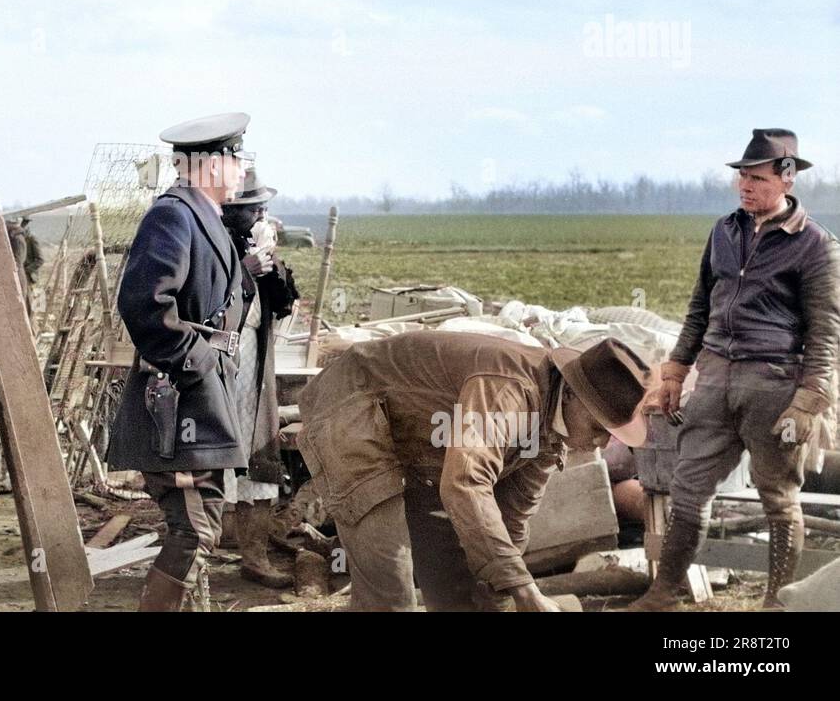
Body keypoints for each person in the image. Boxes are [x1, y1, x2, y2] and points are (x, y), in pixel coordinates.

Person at [630, 129, 839, 610]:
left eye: (757, 178)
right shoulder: (724, 231)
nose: (745, 187)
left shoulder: (815, 246)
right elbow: (699, 307)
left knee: (778, 497)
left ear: (786, 178)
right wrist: (675, 371)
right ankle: (665, 590)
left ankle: (776, 604)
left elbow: (826, 333)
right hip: (716, 378)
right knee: (688, 486)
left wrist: (809, 401)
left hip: (774, 385)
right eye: (741, 177)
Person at [298, 331, 648, 611]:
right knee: (390, 587)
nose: (602, 443)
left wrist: (503, 594)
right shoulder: (508, 390)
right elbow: (465, 484)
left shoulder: (553, 430)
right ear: (571, 394)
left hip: (421, 444)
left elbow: (512, 517)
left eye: (611, 434)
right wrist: (525, 590)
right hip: (353, 408)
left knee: (457, 595)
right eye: (598, 426)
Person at [105, 112, 254, 611]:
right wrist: (199, 360)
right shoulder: (172, 214)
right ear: (213, 164)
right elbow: (144, 303)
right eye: (238, 160)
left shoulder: (203, 216)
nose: (242, 171)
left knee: (199, 522)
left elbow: (225, 301)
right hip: (181, 402)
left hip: (203, 396)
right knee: (195, 527)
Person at [220, 169, 299, 588]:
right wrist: (244, 270)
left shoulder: (259, 245)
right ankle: (196, 554)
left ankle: (254, 557)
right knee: (213, 458)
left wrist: (271, 270)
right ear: (233, 211)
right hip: (217, 368)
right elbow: (203, 300)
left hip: (253, 369)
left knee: (258, 458)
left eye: (264, 209)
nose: (262, 215)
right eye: (255, 209)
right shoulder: (211, 245)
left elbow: (284, 304)